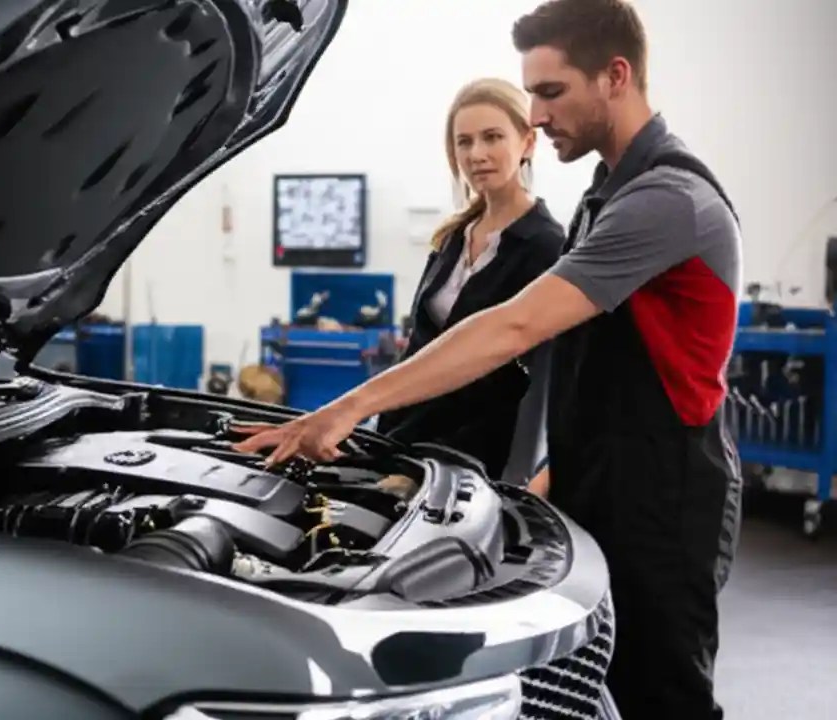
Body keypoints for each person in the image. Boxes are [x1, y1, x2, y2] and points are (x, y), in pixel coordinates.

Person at [233, 1, 743, 718]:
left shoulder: (668, 200)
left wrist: (346, 408)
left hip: (665, 492)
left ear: (616, 76)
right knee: (592, 682)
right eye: (530, 93)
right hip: (604, 477)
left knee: (665, 696)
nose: (535, 113)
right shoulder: (609, 196)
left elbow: (514, 328)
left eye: (551, 92)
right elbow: (581, 368)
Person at [375, 77, 563, 484]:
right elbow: (419, 348)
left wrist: (441, 467)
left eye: (492, 137)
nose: (477, 154)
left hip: (470, 462)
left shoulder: (546, 247)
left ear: (527, 143)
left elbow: (513, 387)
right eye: (464, 142)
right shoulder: (452, 238)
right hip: (402, 440)